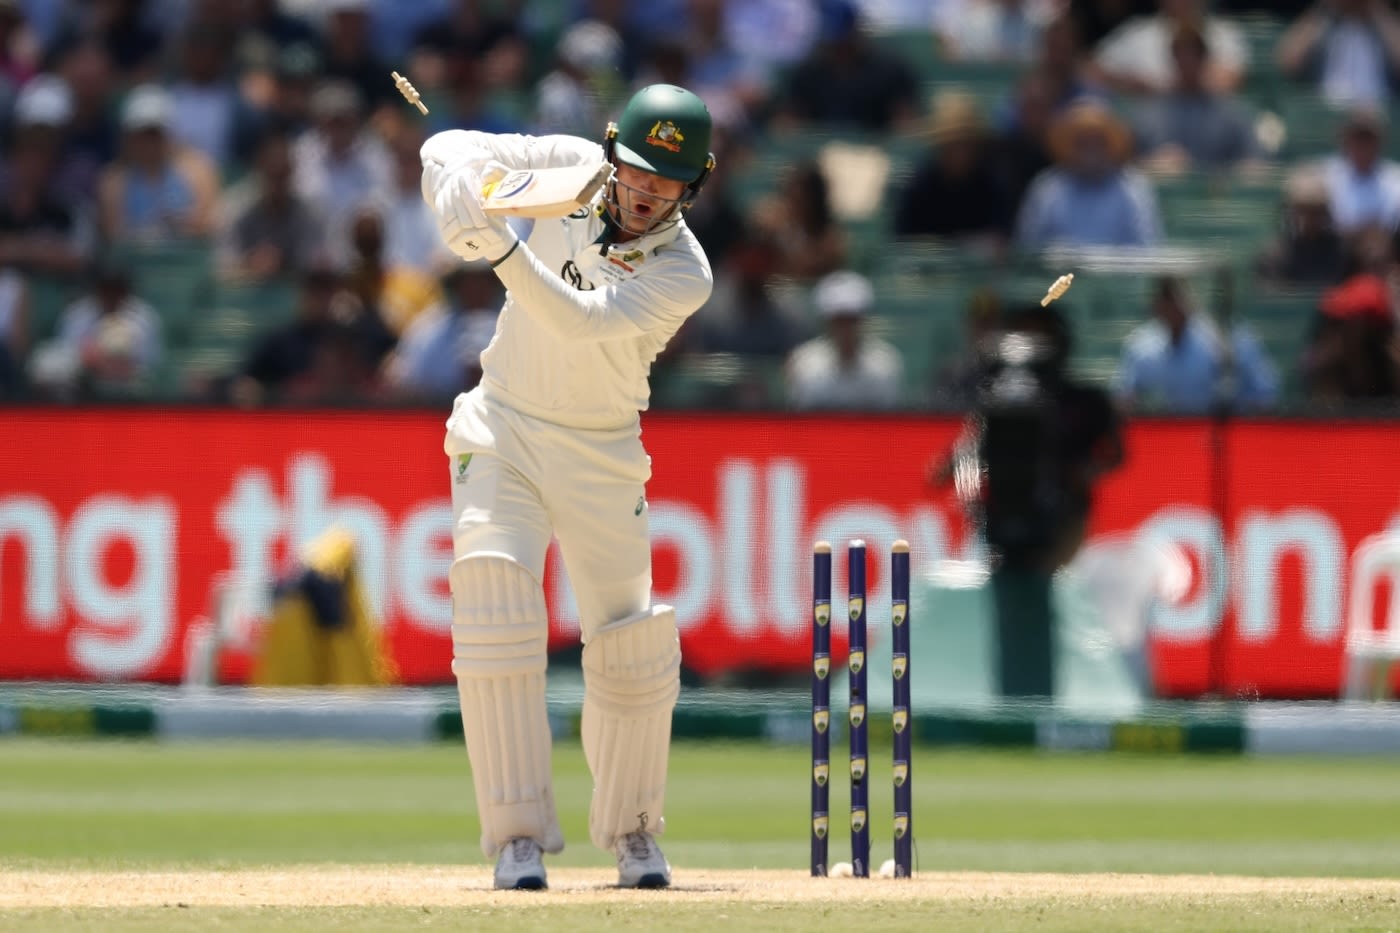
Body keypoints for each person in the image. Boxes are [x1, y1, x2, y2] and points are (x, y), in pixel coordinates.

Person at [420, 83, 716, 891]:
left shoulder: (686, 272)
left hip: (602, 450)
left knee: (631, 642)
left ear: (692, 187)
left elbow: (581, 321)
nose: (644, 190)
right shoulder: (568, 167)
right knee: (494, 597)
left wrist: (502, 252)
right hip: (503, 425)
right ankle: (517, 840)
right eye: (636, 169)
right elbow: (444, 146)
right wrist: (454, 189)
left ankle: (633, 832)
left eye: (666, 181)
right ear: (613, 149)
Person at [1115, 276, 1279, 413]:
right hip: (1160, 438)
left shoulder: (1226, 336)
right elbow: (1124, 395)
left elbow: (1263, 392)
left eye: (1178, 295)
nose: (1173, 304)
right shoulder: (1141, 345)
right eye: (1166, 296)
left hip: (1213, 435)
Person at [1015, 99, 1163, 249]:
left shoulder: (1133, 187)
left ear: (1110, 145)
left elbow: (1146, 249)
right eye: (1082, 142)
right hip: (1059, 272)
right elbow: (1029, 247)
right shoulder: (1046, 187)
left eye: (1097, 141)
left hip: (1116, 271)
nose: (1090, 150)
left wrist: (1102, 261)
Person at [1132, 23, 1262, 174]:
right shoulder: (1149, 113)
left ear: (1204, 58)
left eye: (1194, 54)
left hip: (1219, 195)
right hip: (1164, 195)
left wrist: (1229, 174)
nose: (1187, 62)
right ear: (1173, 58)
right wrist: (1152, 165)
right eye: (1181, 55)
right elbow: (1127, 168)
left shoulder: (1231, 113)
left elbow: (1255, 163)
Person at [786, 269, 904, 410]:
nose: (846, 328)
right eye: (839, 320)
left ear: (862, 319)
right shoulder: (804, 363)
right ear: (826, 321)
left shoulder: (886, 363)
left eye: (852, 319)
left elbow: (889, 423)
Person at [1276, 0, 1400, 107]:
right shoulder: (1324, 23)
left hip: (1379, 113)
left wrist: (1377, 10)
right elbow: (1289, 62)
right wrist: (1326, 7)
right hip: (1327, 112)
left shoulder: (1386, 25)